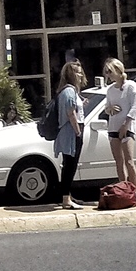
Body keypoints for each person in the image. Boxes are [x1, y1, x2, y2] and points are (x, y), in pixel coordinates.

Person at [102, 57, 136, 202]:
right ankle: (123, 191)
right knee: (119, 161)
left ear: (118, 70)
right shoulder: (110, 90)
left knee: (129, 161)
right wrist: (109, 109)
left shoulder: (131, 86)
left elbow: (135, 107)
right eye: (106, 72)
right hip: (113, 126)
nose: (108, 75)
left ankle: (135, 192)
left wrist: (126, 124)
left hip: (127, 126)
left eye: (110, 71)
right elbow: (107, 106)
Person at [54, 59, 87, 210]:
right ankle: (66, 199)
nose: (80, 74)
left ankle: (68, 195)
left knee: (70, 165)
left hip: (73, 130)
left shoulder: (71, 91)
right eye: (76, 71)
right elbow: (70, 113)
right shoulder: (68, 91)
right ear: (70, 74)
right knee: (70, 165)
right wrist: (78, 131)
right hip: (71, 131)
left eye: (80, 71)